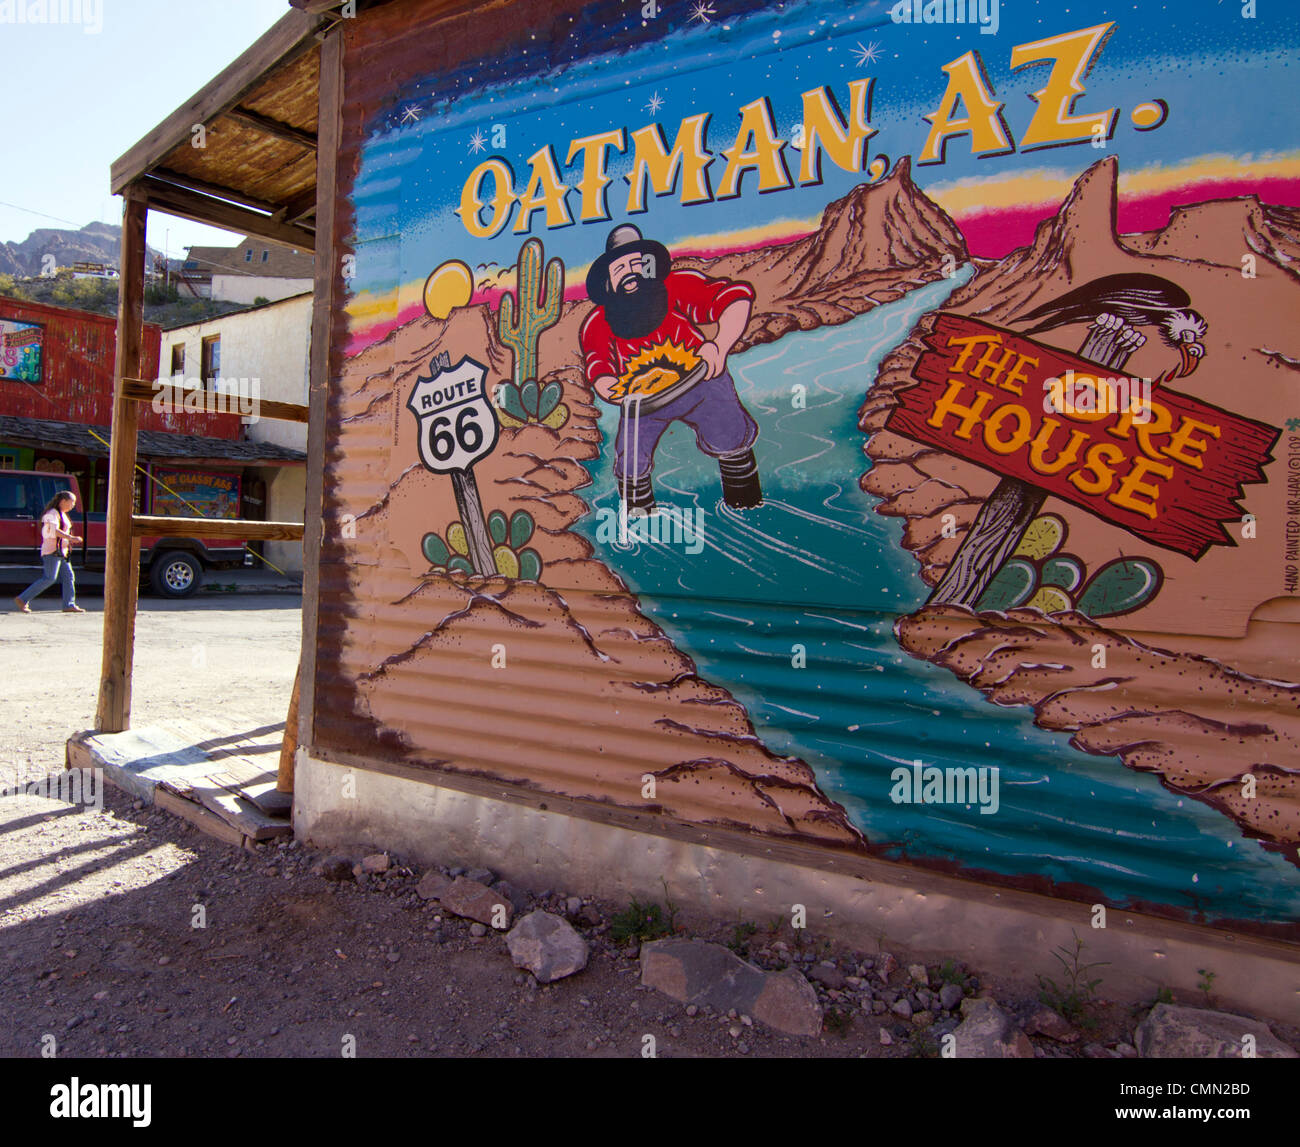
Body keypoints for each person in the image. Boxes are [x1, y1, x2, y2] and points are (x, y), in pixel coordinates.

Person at [580, 224, 763, 515]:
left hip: (701, 380)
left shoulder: (675, 285)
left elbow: (734, 299)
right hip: (642, 402)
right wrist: (609, 388)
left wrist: (720, 344)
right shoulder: (599, 321)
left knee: (731, 435)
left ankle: (747, 504)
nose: (630, 272)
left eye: (635, 263)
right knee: (630, 460)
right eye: (620, 267)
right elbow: (598, 366)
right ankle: (638, 518)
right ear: (608, 279)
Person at [13, 489, 85, 613]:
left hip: (62, 552)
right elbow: (53, 530)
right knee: (49, 578)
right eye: (72, 502)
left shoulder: (62, 514)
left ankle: (69, 604)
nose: (73, 505)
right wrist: (71, 538)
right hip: (52, 552)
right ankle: (22, 599)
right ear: (63, 501)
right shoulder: (52, 514)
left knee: (69, 576)